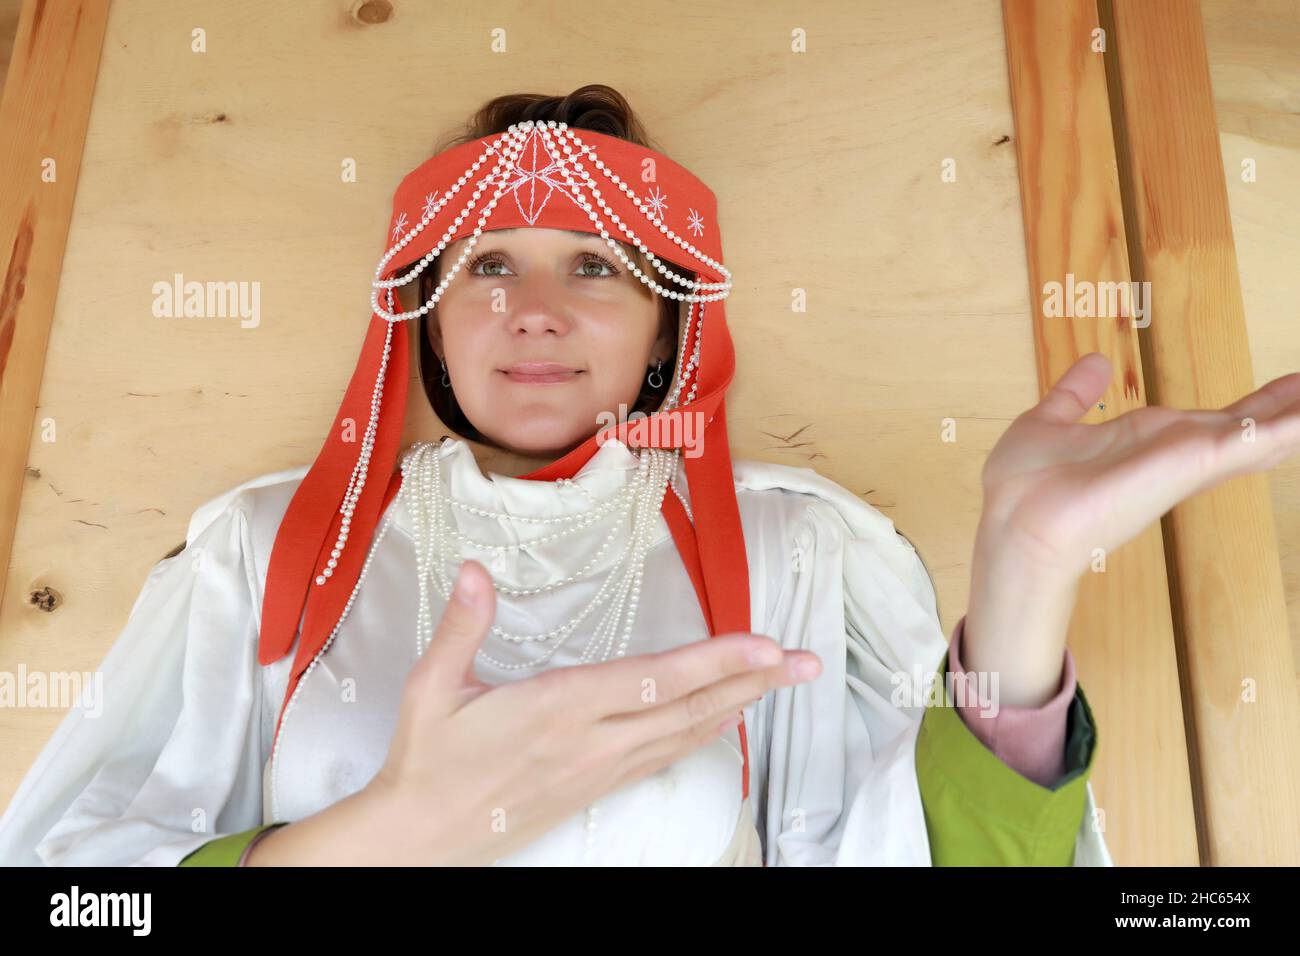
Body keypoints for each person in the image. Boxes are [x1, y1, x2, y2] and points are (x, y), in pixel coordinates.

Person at [6, 86, 1293, 867]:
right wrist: (370, 836)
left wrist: (1026, 572)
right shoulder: (263, 545)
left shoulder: (795, 555)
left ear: (673, 324)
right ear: (422, 320)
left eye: (597, 268)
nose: (536, 311)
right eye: (488, 267)